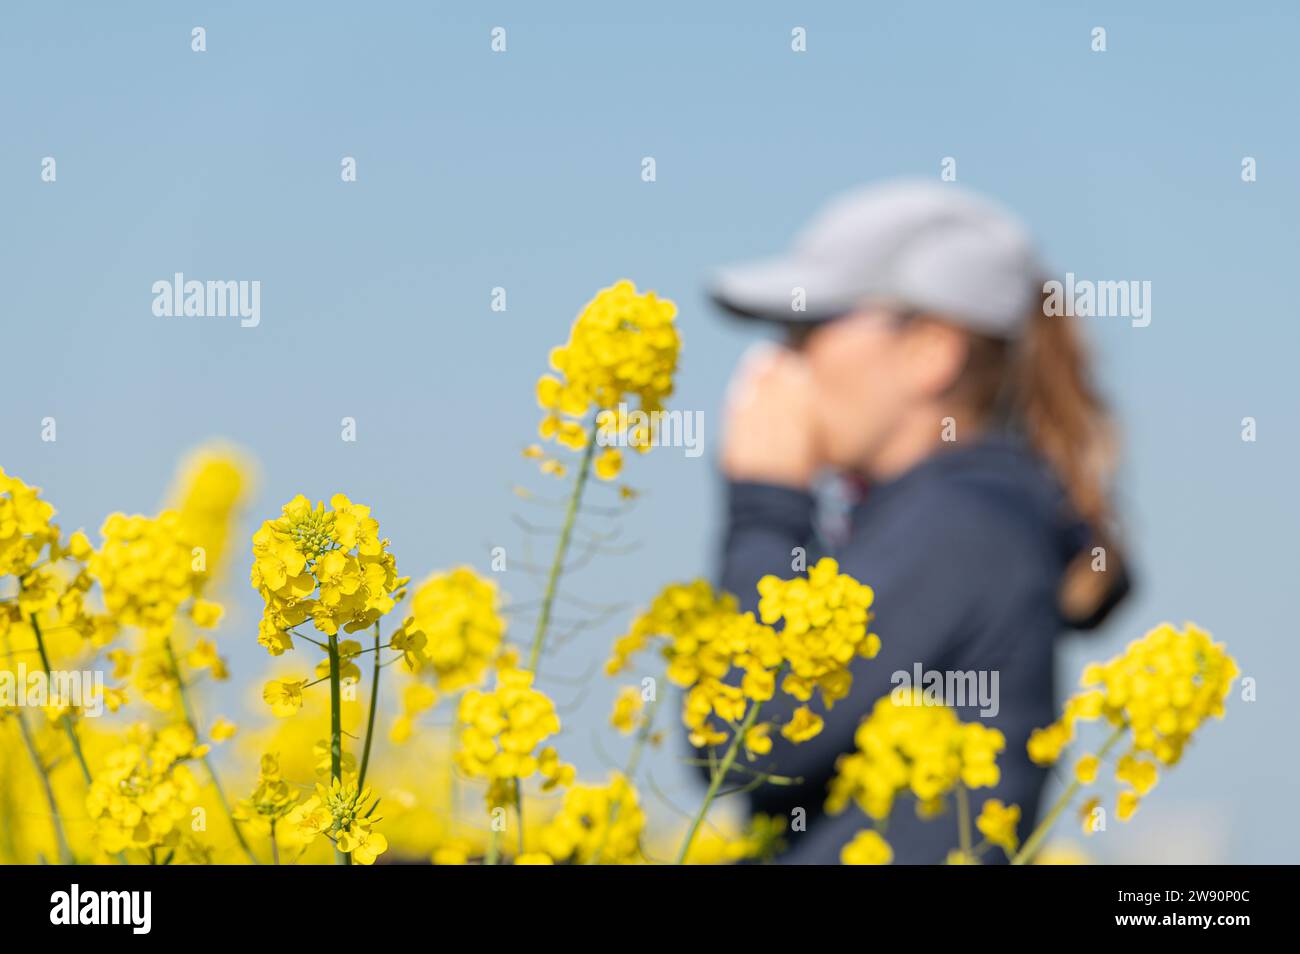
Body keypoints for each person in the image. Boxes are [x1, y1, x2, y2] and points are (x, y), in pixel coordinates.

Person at [707, 179, 1131, 864]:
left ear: (930, 350)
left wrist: (766, 506)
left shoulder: (967, 524)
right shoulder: (941, 517)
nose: (777, 361)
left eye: (808, 327)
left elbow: (740, 737)